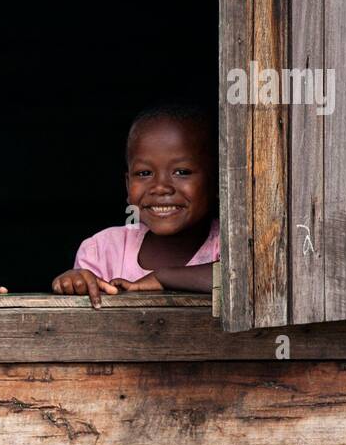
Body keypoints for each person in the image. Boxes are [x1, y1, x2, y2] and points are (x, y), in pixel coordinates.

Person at [52, 105, 220, 308]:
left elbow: (249, 276)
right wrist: (75, 282)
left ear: (218, 181)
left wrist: (163, 277)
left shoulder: (230, 245)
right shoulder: (103, 250)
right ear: (127, 184)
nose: (160, 188)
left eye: (182, 172)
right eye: (144, 173)